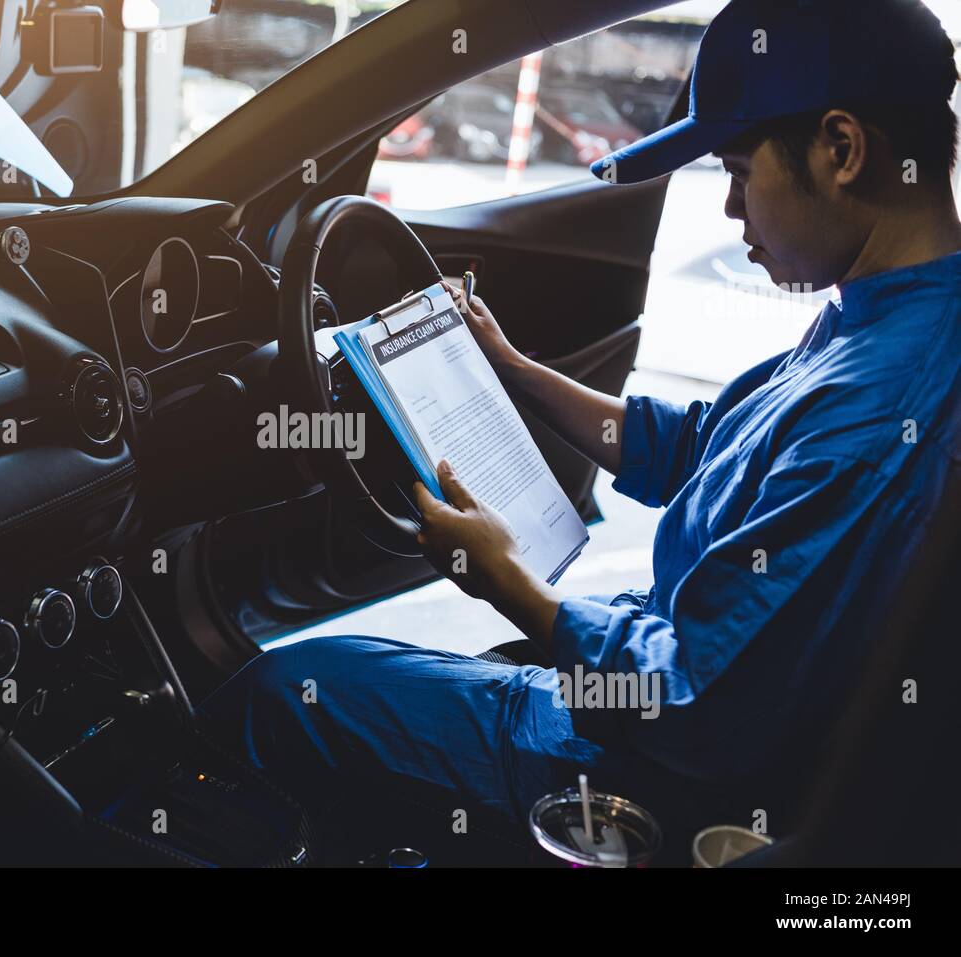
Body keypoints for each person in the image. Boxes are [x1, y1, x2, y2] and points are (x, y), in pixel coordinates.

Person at [199, 0, 961, 849]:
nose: (729, 208)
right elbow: (704, 447)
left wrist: (510, 583)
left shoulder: (876, 413)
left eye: (741, 173)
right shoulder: (888, 316)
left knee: (283, 694)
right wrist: (514, 371)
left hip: (630, 771)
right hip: (646, 694)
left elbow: (692, 706)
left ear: (842, 150)